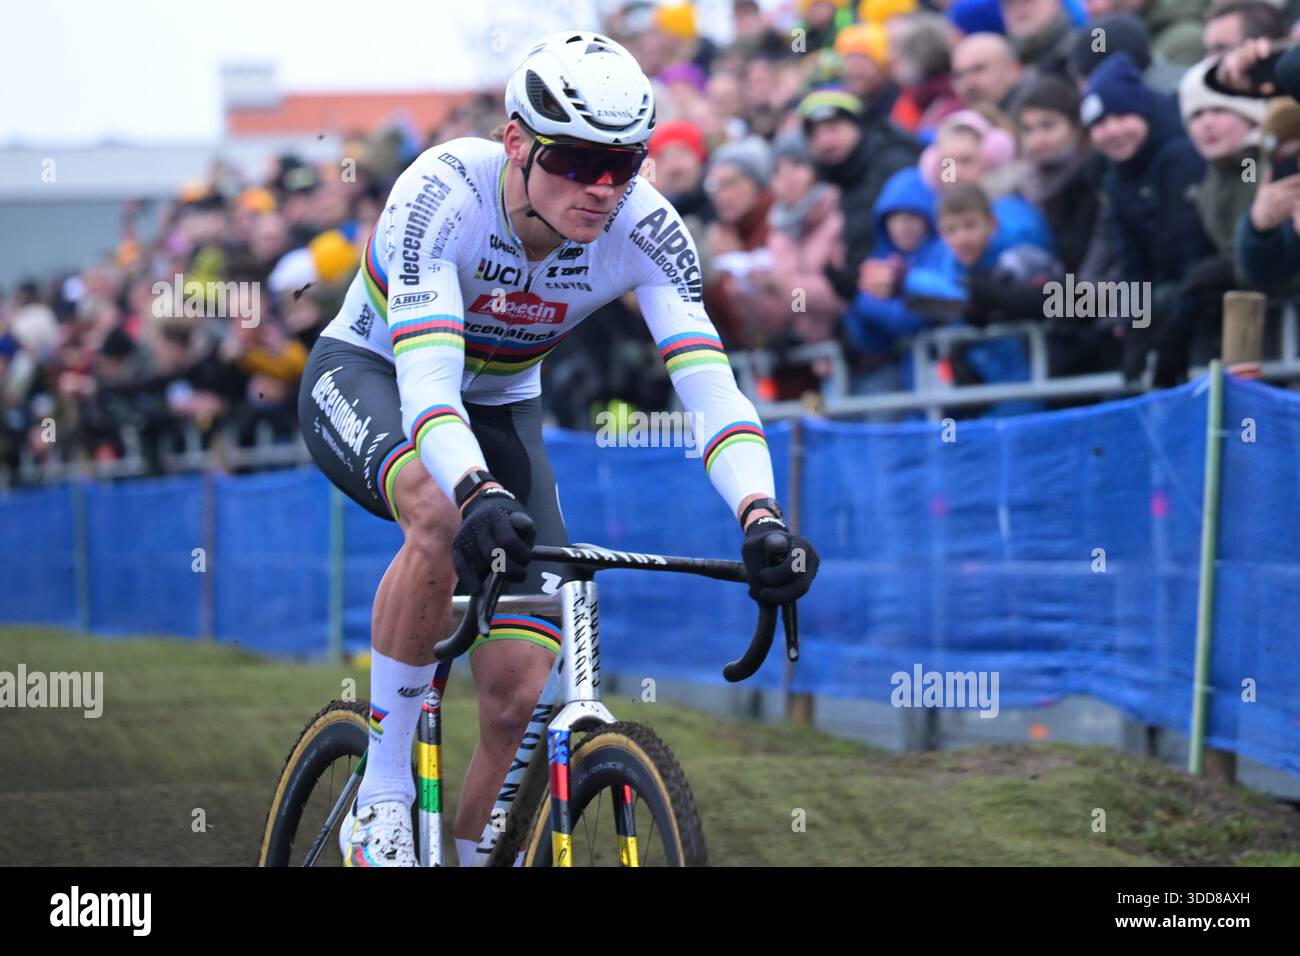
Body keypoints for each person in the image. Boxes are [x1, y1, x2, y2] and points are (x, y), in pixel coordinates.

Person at [296, 31, 820, 868]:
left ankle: (465, 856)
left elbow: (711, 389)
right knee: (434, 511)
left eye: (625, 163)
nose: (603, 188)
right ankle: (385, 791)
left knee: (514, 698)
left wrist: (760, 513)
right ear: (515, 142)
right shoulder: (444, 194)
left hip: (502, 408)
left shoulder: (644, 227)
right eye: (577, 161)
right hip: (376, 376)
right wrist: (475, 492)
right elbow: (430, 390)